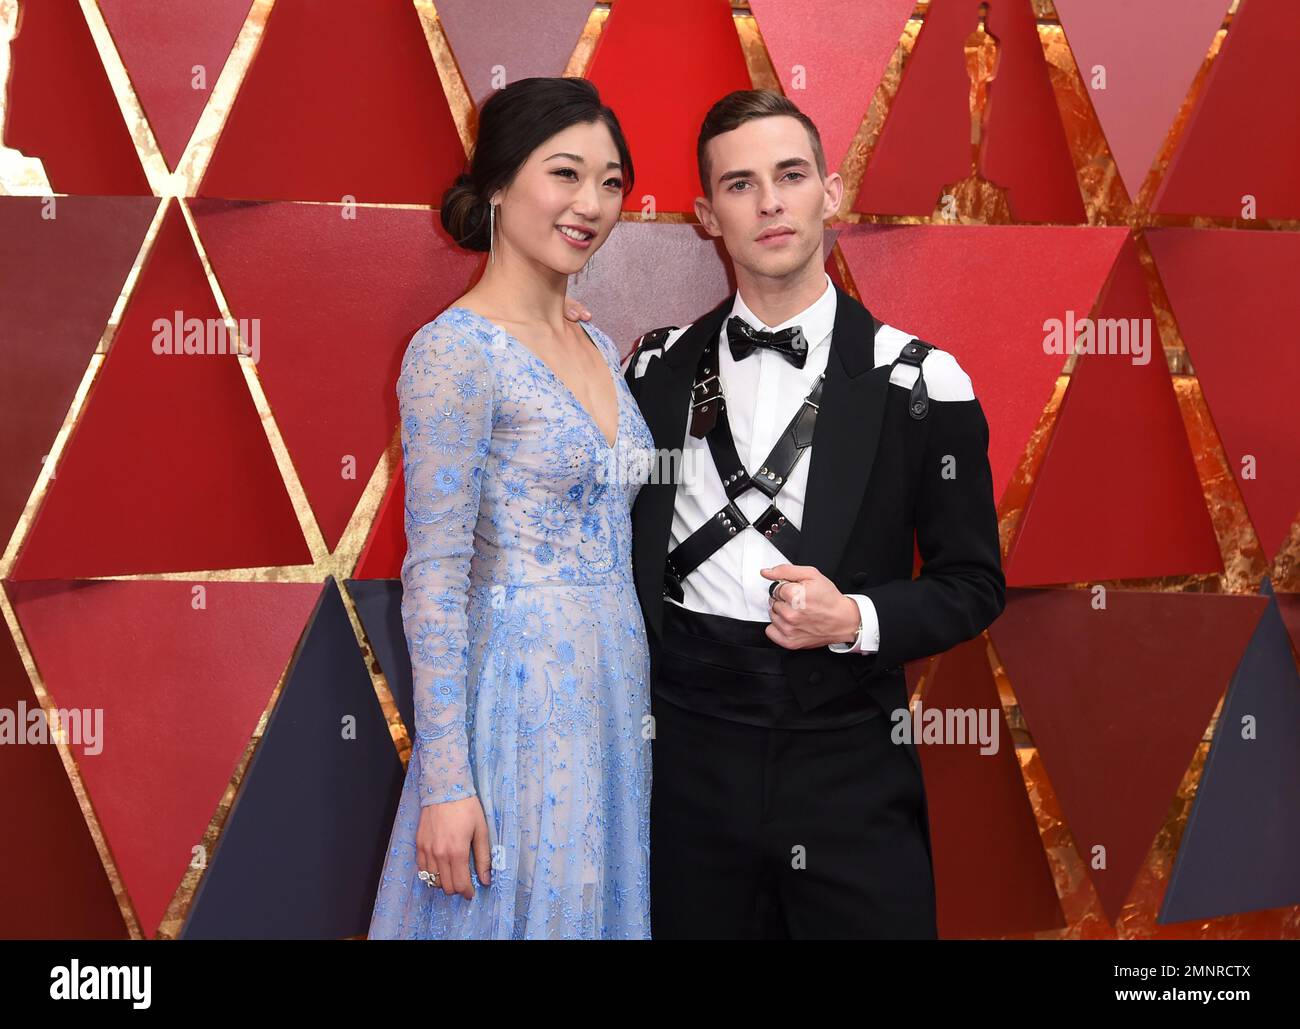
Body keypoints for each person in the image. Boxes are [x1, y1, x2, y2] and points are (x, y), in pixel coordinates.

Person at [571, 89, 1006, 938]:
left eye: (791, 175)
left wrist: (857, 616)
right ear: (705, 215)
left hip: (848, 764)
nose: (769, 202)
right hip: (683, 760)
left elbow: (974, 582)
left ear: (830, 193)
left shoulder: (921, 379)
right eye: (740, 184)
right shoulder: (648, 368)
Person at [368, 77, 655, 939]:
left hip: (614, 690)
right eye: (565, 173)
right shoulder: (453, 352)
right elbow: (435, 578)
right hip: (516, 705)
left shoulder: (600, 340)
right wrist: (448, 779)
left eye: (611, 182)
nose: (591, 204)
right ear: (497, 183)